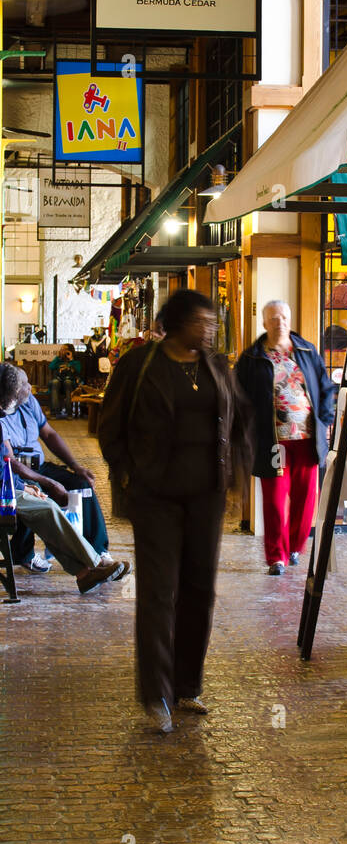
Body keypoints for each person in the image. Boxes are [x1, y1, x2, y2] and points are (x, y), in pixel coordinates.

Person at [98, 289, 251, 734]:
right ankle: (156, 694)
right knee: (159, 594)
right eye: (202, 322)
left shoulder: (217, 367)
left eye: (212, 323)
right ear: (179, 322)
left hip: (206, 496)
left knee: (200, 588)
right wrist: (126, 474)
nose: (209, 330)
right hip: (155, 497)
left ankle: (187, 685)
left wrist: (236, 472)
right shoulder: (140, 365)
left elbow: (239, 418)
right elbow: (111, 426)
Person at [236, 300, 336, 576]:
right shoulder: (252, 358)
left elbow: (326, 387)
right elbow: (237, 397)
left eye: (284, 317)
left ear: (290, 320)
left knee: (306, 499)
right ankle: (275, 557)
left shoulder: (306, 351)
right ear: (264, 323)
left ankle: (294, 546)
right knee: (275, 499)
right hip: (273, 441)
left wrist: (325, 420)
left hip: (306, 438)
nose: (279, 322)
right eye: (273, 318)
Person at [0, 363, 117, 573]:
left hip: (38, 465)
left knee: (81, 484)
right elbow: (9, 464)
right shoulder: (2, 413)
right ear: (13, 393)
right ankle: (25, 554)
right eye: (25, 385)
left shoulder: (28, 403)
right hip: (18, 472)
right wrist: (43, 483)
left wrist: (75, 466)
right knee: (37, 493)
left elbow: (49, 434)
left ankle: (98, 550)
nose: (30, 388)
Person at [48, 344, 82, 418]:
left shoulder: (75, 362)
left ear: (71, 351)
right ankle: (54, 412)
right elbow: (51, 367)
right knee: (55, 382)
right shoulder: (58, 360)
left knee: (68, 382)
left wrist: (71, 359)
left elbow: (78, 370)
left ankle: (69, 412)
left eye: (66, 349)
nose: (64, 351)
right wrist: (58, 357)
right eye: (62, 349)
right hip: (58, 383)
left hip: (69, 384)